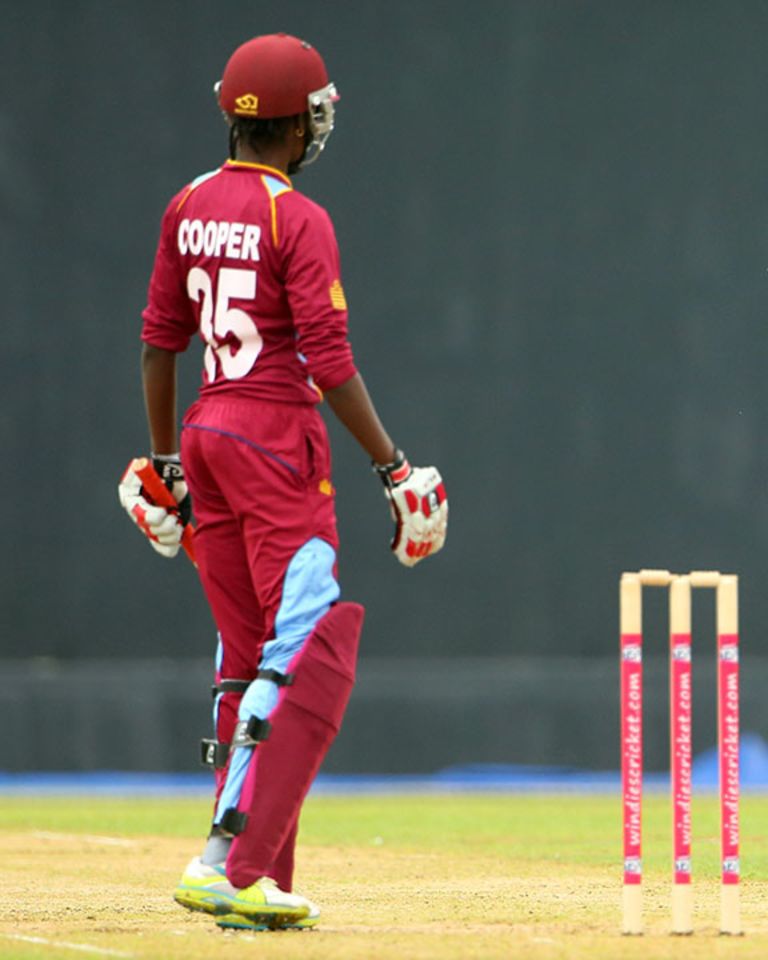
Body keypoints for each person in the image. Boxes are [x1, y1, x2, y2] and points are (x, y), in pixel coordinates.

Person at [117, 33, 449, 930]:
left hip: (206, 433)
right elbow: (328, 359)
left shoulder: (186, 204)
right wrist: (393, 467)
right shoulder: (293, 216)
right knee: (313, 646)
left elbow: (160, 339)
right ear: (297, 122)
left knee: (249, 650)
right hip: (274, 439)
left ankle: (253, 875)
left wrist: (165, 462)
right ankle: (228, 857)